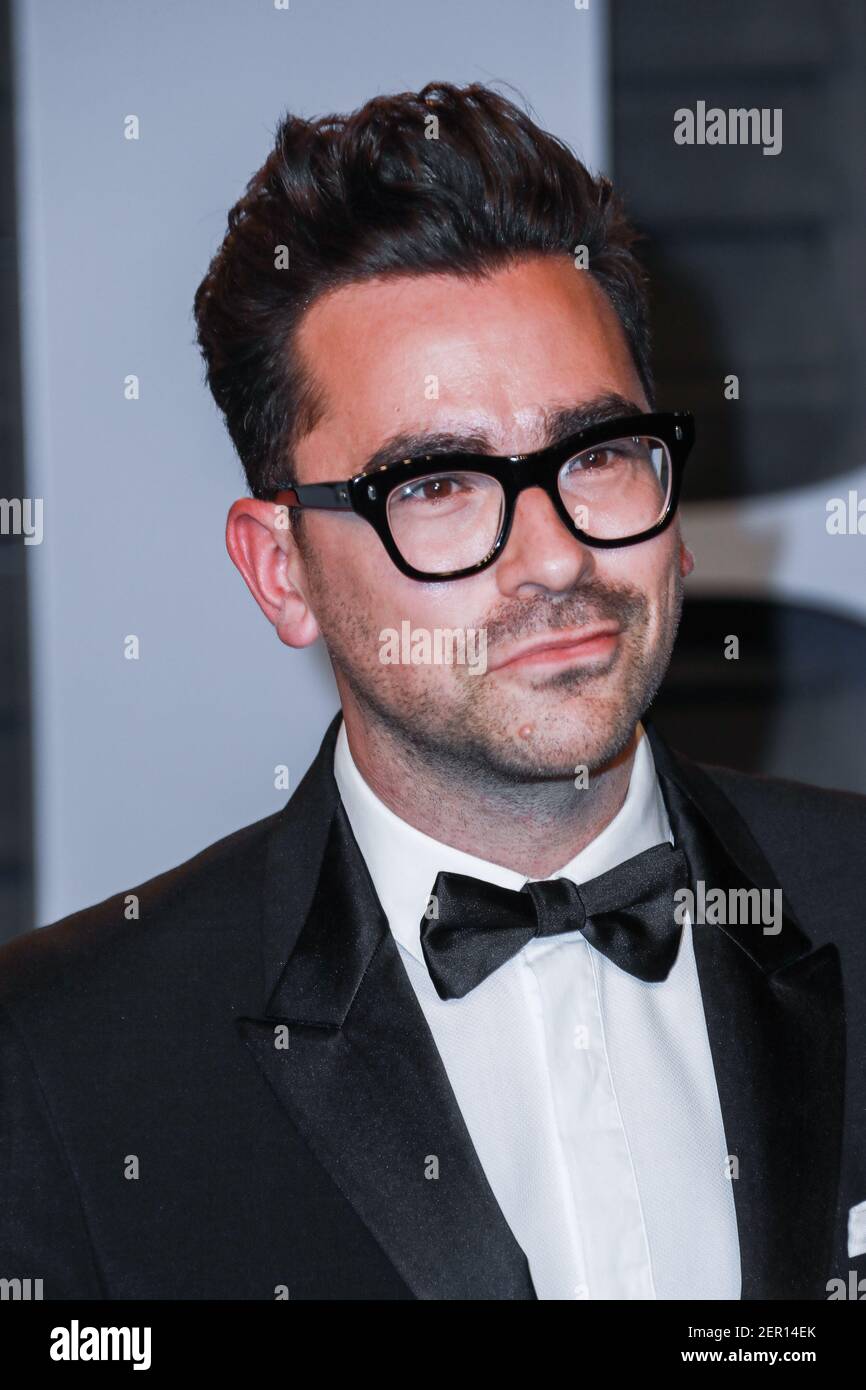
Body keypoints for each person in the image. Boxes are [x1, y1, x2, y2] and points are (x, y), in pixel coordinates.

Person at [1, 82, 863, 1302]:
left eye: (599, 454)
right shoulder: (60, 1063)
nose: (555, 557)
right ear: (280, 569)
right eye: (437, 487)